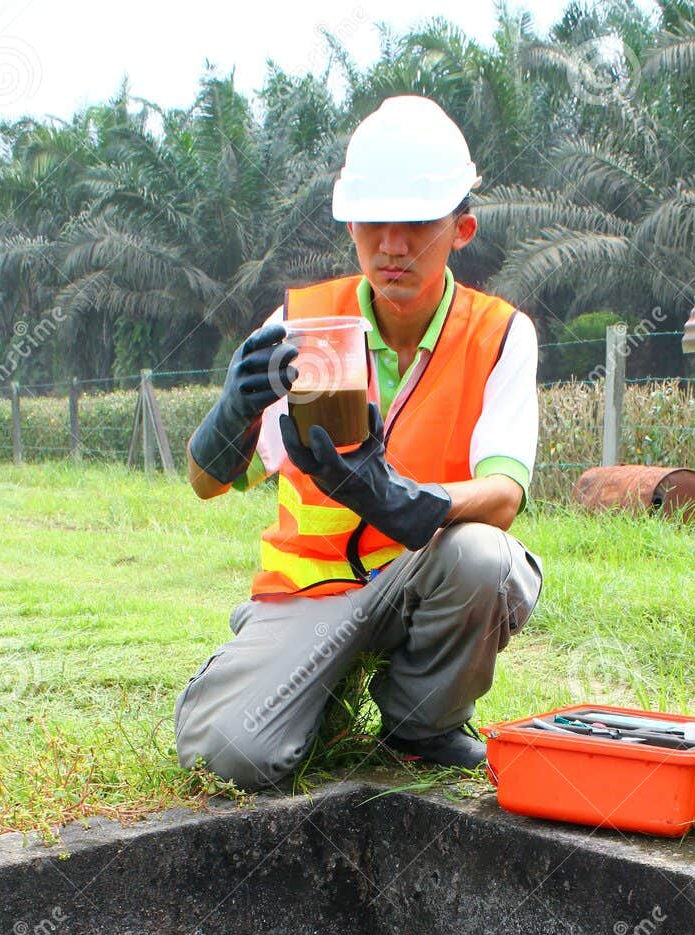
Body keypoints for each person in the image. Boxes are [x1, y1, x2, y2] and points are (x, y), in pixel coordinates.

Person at [174, 95, 542, 786]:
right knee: (227, 757)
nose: (392, 245)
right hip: (308, 592)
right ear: (350, 225)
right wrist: (232, 412)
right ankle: (311, 680)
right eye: (372, 223)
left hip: (416, 579)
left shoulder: (498, 335)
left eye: (416, 225)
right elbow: (206, 482)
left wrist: (406, 500)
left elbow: (503, 495)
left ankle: (419, 724)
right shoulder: (303, 322)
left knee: (486, 560)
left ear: (461, 228)